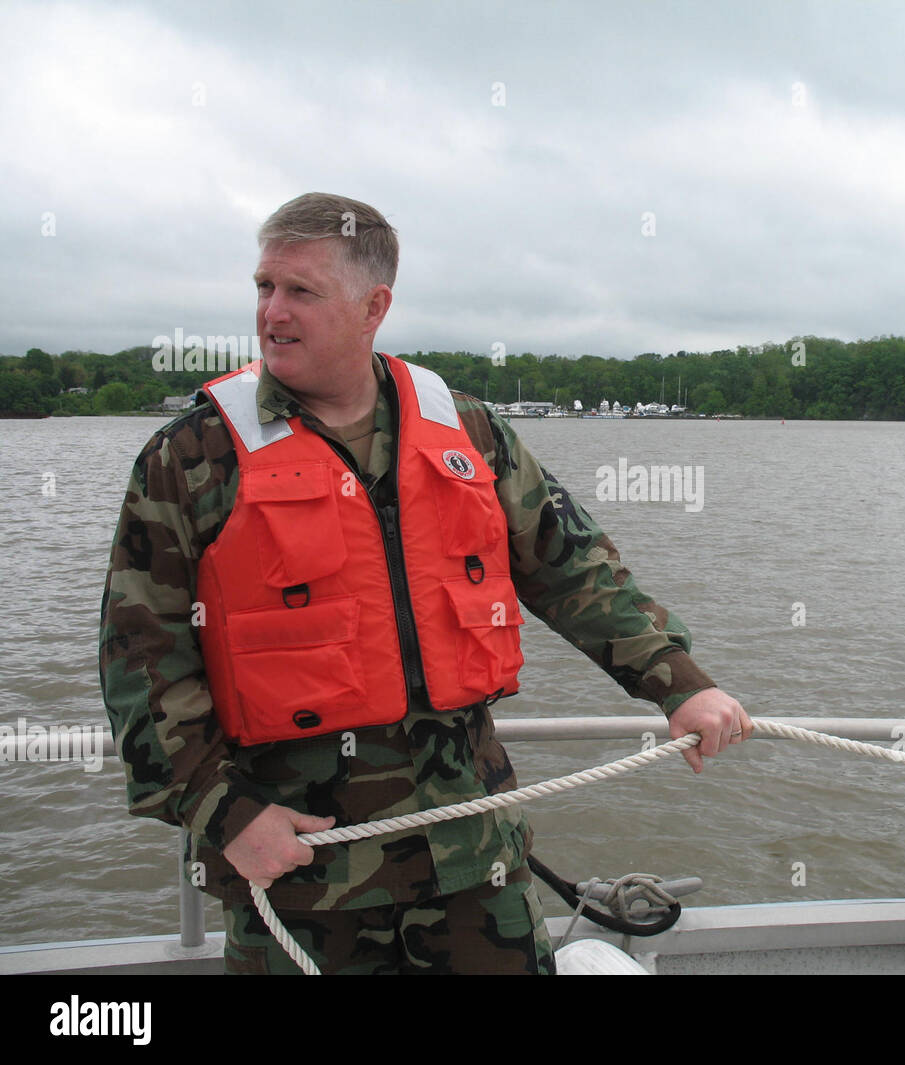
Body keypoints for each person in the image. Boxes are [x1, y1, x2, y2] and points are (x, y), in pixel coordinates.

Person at [99, 192, 751, 975]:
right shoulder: (193, 455)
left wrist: (677, 683)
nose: (272, 311)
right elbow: (140, 659)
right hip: (302, 867)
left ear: (374, 306)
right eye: (263, 286)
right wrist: (225, 814)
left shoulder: (466, 431)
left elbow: (571, 564)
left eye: (300, 291)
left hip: (473, 858)